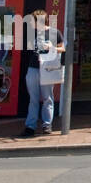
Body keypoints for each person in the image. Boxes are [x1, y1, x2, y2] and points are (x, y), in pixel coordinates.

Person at [22, 9, 65, 137]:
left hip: (47, 69)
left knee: (47, 98)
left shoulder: (54, 32)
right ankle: (31, 126)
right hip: (33, 67)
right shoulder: (32, 33)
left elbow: (62, 48)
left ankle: (47, 125)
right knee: (34, 98)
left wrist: (51, 48)